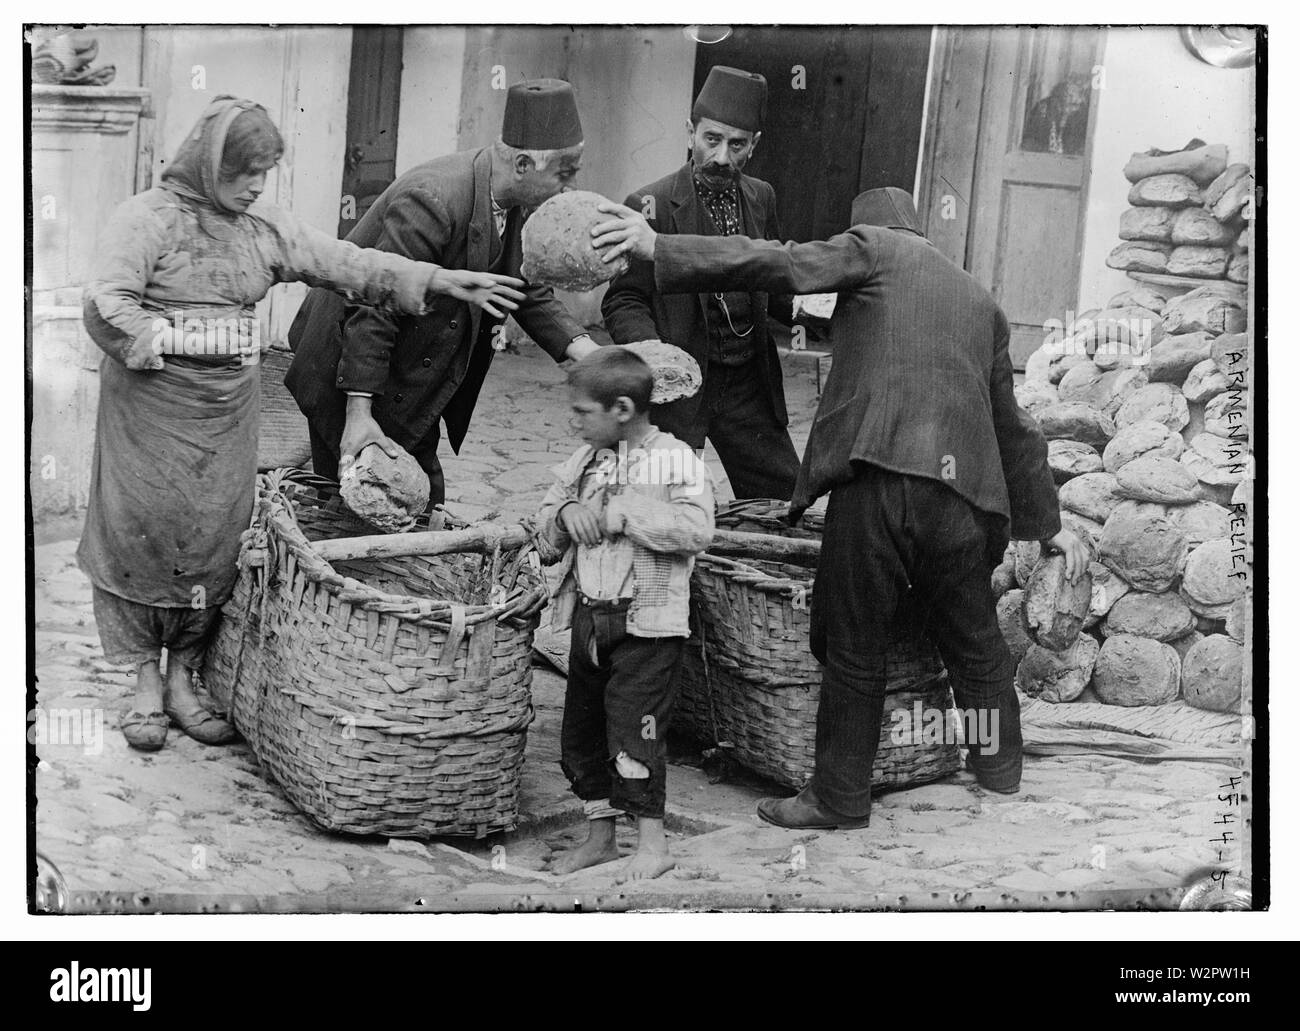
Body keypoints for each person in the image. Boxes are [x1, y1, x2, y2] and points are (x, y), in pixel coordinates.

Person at [590, 186, 1090, 829]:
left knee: (853, 640)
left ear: (868, 232)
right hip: (963, 499)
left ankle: (839, 796)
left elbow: (779, 262)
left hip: (879, 477)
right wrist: (1047, 528)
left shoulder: (872, 248)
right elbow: (1015, 426)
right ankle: (999, 768)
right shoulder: (981, 301)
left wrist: (659, 246)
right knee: (974, 640)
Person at [80, 96, 524, 752]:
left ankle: (185, 677)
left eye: (265, 170)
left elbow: (350, 263)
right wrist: (177, 335)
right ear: (207, 164)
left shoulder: (264, 227)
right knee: (138, 531)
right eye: (242, 172)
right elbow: (105, 303)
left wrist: (436, 277)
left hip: (224, 416)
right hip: (148, 413)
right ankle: (145, 676)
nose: (256, 185)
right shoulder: (147, 219)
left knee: (214, 533)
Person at [286, 78, 601, 506]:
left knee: (419, 505)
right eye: (565, 174)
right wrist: (357, 416)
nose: (571, 188)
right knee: (350, 510)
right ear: (524, 164)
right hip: (346, 375)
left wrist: (590, 355)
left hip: (414, 378)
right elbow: (374, 310)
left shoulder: (517, 203)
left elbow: (525, 290)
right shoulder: (433, 199)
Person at [534, 348, 714, 881]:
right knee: (583, 734)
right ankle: (601, 838)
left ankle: (653, 844)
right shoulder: (586, 461)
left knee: (636, 733)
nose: (574, 422)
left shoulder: (675, 459)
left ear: (622, 408)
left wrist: (624, 514)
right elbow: (544, 524)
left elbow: (696, 530)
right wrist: (567, 513)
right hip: (591, 618)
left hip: (648, 626)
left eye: (582, 412)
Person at [600, 65, 800, 502]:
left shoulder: (761, 197)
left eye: (737, 144)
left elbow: (777, 285)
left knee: (783, 504)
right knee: (664, 506)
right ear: (690, 132)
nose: (722, 157)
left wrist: (821, 305)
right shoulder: (648, 204)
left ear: (755, 144)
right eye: (712, 139)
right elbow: (623, 300)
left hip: (749, 385)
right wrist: (654, 356)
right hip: (680, 392)